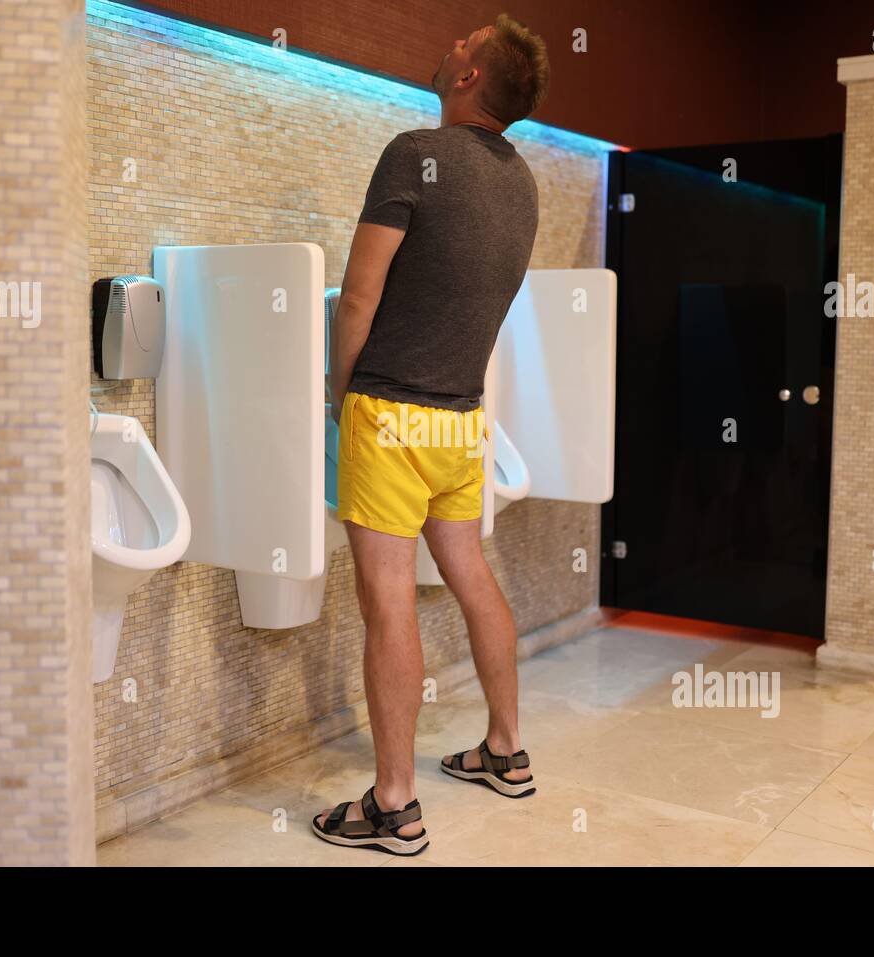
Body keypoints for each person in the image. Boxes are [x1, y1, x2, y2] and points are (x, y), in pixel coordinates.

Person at [312, 13, 551, 855]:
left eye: (466, 42)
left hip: (389, 414)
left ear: (469, 78)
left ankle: (394, 802)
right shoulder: (522, 184)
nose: (452, 43)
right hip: (459, 419)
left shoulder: (413, 152)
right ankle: (506, 748)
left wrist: (338, 392)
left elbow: (360, 294)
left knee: (387, 604)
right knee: (471, 574)